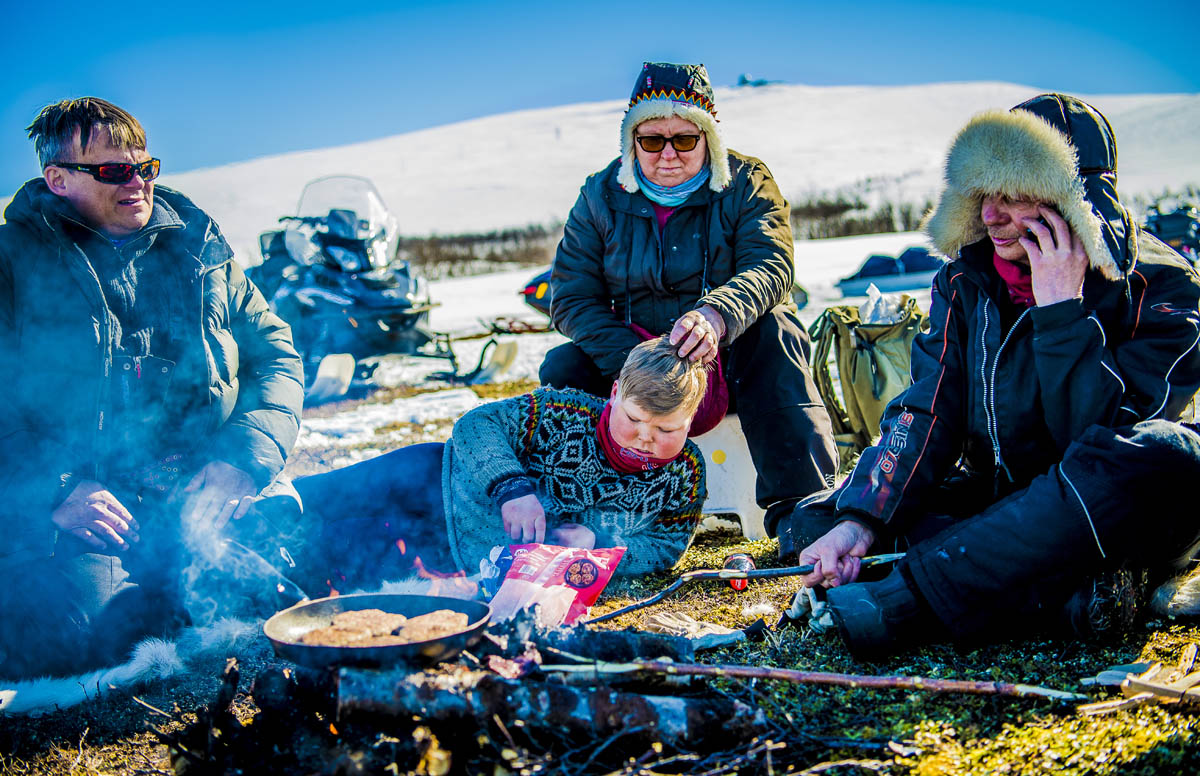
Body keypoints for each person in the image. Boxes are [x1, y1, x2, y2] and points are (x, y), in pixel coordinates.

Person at [790, 94, 1200, 658]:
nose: (989, 215)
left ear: (1071, 201)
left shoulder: (1166, 288)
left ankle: (912, 597)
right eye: (984, 194)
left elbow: (1103, 449)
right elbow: (927, 409)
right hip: (1008, 501)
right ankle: (1069, 600)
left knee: (1169, 456)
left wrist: (1061, 313)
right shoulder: (966, 281)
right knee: (814, 521)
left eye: (1012, 194)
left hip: (1119, 517)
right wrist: (863, 519)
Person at [0, 98, 304, 679]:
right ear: (57, 179)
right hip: (89, 505)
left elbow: (275, 356)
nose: (137, 183)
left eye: (145, 167)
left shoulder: (198, 248)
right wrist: (57, 487)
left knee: (286, 586)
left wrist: (242, 457)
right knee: (70, 637)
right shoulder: (10, 262)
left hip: (197, 486)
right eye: (113, 170)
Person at [539, 62, 838, 541]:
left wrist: (716, 315)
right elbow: (571, 295)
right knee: (563, 367)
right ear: (631, 142)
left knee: (777, 333)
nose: (668, 154)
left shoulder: (745, 183)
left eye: (684, 139)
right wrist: (633, 360)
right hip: (631, 358)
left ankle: (802, 512)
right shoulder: (598, 196)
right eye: (652, 140)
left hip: (729, 355)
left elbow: (772, 266)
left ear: (708, 139)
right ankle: (584, 514)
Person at [250, 336, 708, 594]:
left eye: (667, 430)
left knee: (321, 557)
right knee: (303, 503)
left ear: (691, 420)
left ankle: (239, 574)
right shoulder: (566, 413)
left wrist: (600, 541)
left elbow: (666, 546)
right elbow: (476, 425)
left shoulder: (685, 472)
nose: (646, 437)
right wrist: (513, 488)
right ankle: (237, 516)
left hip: (450, 551)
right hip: (432, 478)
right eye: (633, 419)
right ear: (614, 396)